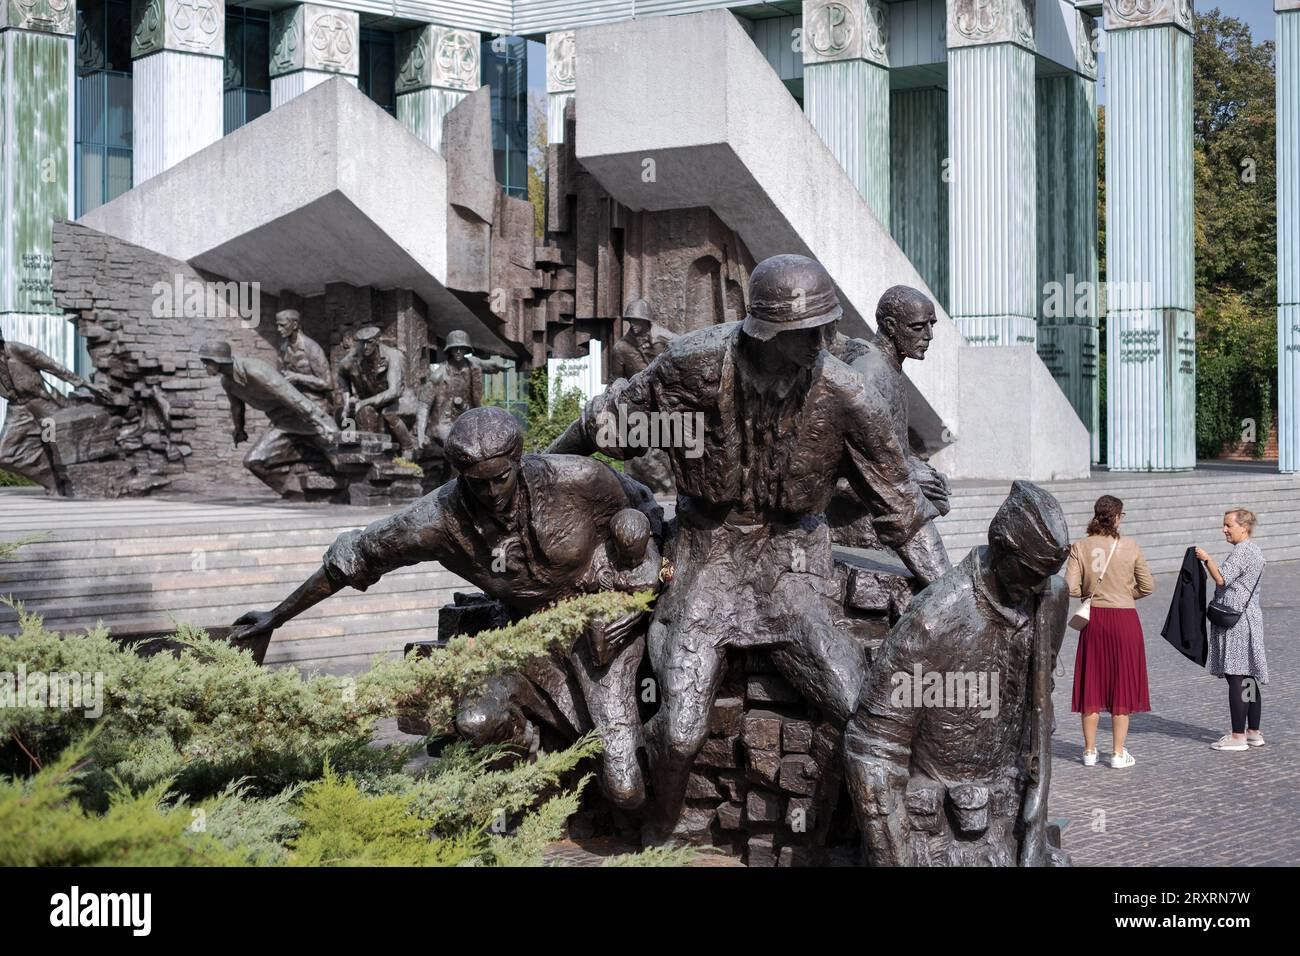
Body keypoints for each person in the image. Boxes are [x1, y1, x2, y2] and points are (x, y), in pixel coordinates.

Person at [548, 253, 949, 841]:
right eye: (803, 335)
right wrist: (543, 471)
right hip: (704, 557)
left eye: (825, 329)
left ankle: (864, 841)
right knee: (680, 733)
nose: (819, 344)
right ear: (764, 334)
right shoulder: (692, 367)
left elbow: (904, 514)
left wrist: (947, 601)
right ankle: (652, 834)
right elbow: (605, 423)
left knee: (858, 705)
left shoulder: (848, 397)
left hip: (793, 563)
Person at [228, 407, 664, 809]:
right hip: (523, 639)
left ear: (519, 461)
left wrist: (640, 601)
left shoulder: (581, 479)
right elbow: (351, 558)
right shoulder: (438, 519)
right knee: (476, 721)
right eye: (478, 483)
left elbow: (647, 516)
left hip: (602, 636)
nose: (492, 493)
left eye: (501, 478)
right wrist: (275, 617)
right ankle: (534, 777)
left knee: (625, 792)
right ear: (459, 475)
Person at [843, 480, 1071, 867]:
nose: (1037, 587)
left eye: (1046, 575)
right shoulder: (934, 620)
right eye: (1031, 573)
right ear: (1003, 548)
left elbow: (1038, 702)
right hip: (936, 831)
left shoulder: (1051, 596)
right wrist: (893, 854)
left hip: (1005, 818)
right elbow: (873, 748)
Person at [1064, 494, 1154, 769]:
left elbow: (1070, 587)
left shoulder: (1080, 546)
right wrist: (1125, 595)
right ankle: (1117, 753)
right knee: (1121, 686)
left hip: (1095, 621)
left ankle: (1090, 751)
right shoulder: (1130, 546)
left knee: (1092, 683)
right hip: (1125, 620)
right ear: (1117, 517)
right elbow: (1148, 586)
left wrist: (1088, 596)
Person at [199, 340, 339, 496]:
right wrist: (239, 429)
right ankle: (298, 493)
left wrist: (321, 421)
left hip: (307, 418)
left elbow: (290, 396)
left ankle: (336, 483)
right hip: (282, 422)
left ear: (219, 360)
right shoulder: (227, 382)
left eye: (206, 361)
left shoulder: (255, 370)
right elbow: (236, 406)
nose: (204, 365)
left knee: (340, 462)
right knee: (253, 462)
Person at [0, 327, 110, 493]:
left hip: (44, 405)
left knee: (54, 444)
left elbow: (54, 367)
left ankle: (69, 483)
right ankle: (52, 480)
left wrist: (84, 384)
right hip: (18, 409)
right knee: (3, 455)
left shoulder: (17, 350)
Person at [1196, 509, 1268, 752]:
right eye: (1224, 525)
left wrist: (1206, 559)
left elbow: (1221, 579)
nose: (1224, 529)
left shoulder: (1242, 551)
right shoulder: (1255, 550)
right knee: (1249, 676)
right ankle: (1253, 732)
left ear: (1244, 527)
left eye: (1229, 525)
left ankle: (1237, 736)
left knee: (1236, 676)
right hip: (1250, 619)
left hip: (1236, 622)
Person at [274, 309, 333, 416]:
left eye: (283, 325)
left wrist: (298, 377)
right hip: (294, 403)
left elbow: (327, 383)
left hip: (316, 405)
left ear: (295, 324)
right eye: (278, 325)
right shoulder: (283, 350)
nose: (279, 329)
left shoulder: (312, 348)